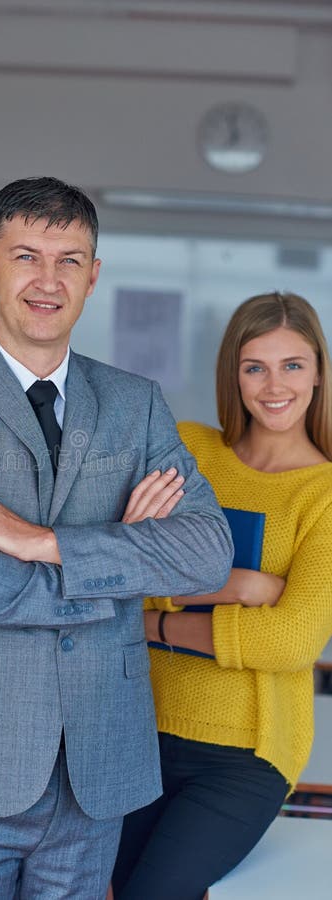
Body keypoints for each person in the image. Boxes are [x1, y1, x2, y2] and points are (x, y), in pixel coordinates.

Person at [0, 176, 232, 900]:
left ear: (92, 277)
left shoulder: (134, 402)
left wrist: (42, 542)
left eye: (68, 260)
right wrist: (115, 562)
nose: (46, 279)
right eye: (26, 255)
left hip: (93, 763)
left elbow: (205, 554)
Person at [112, 291, 332, 900]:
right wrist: (247, 587)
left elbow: (290, 641)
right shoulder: (188, 450)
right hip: (140, 728)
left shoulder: (325, 495)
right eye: (254, 366)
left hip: (246, 756)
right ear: (232, 375)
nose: (274, 385)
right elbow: (126, 570)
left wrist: (157, 624)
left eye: (293, 365)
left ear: (318, 373)